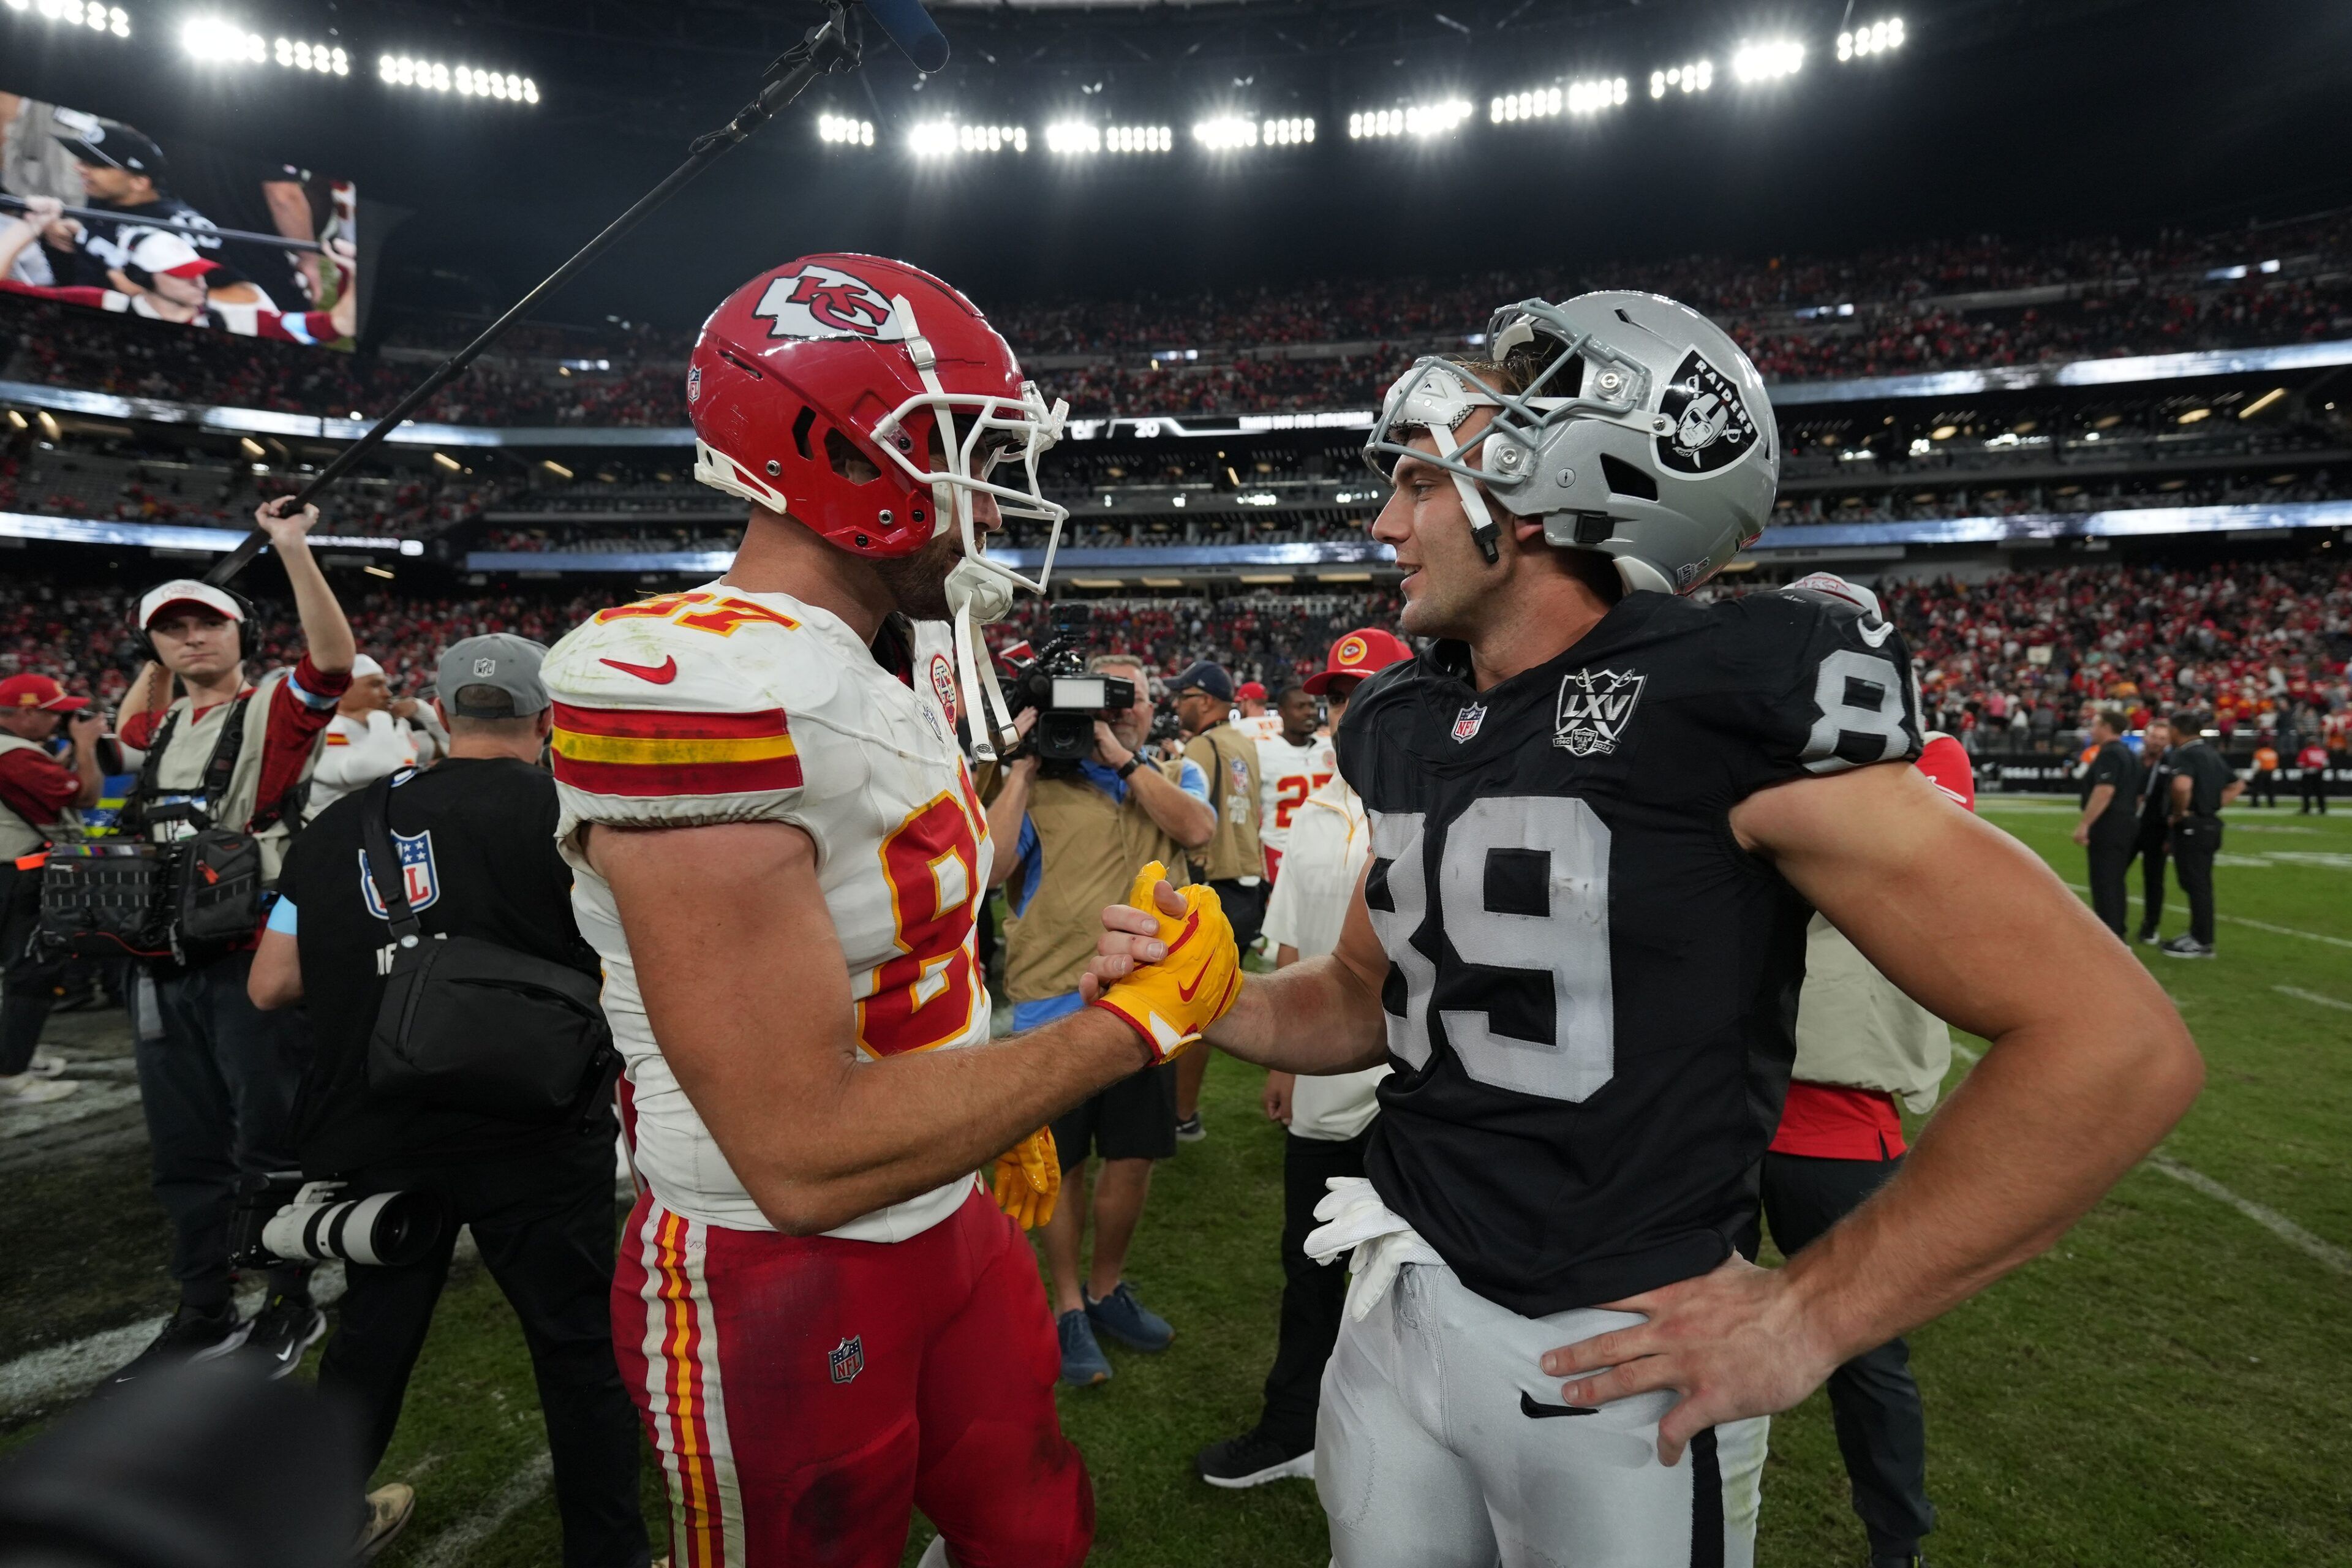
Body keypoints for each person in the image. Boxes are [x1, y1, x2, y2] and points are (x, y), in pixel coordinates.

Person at [1083, 292, 2200, 1568]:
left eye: (1421, 482)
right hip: (1400, 1288)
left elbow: (2112, 1040)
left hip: (1619, 1349)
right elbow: (1359, 995)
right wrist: (1214, 995)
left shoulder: (1727, 694)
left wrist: (1809, 1312)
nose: (1386, 522)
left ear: (1554, 480)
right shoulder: (1401, 719)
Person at [540, 254, 1236, 1568]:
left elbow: (887, 943)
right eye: (962, 453)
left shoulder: (859, 670)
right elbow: (796, 1151)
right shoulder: (699, 682)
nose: (990, 495)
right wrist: (1124, 1033)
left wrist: (1048, 1018)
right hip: (780, 1258)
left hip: (941, 1199)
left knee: (1034, 1516)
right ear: (846, 454)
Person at [249, 634, 649, 1568]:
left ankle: (309, 1528)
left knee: (371, 1342)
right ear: (549, 721)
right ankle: (610, 1555)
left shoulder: (338, 824)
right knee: (578, 1345)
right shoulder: (577, 812)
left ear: (438, 713)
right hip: (537, 1123)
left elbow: (271, 983)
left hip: (377, 1121)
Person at [103, 500, 353, 1389]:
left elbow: (332, 663)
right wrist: (154, 661)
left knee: (269, 1136)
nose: (187, 638)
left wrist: (291, 547)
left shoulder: (270, 714)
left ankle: (293, 1296)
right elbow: (124, 735)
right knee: (185, 1148)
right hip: (162, 963)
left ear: (239, 631)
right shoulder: (162, 724)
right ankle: (202, 1306)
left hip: (250, 953)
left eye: (203, 621)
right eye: (169, 630)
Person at [1756, 575, 1975, 1568]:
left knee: (1861, 1350)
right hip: (1732, 1098)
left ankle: (1898, 1540)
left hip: (1827, 1101)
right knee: (1669, 1315)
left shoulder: (1920, 762)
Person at [1196, 627, 1408, 1490]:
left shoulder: (1452, 803)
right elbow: (1292, 948)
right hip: (1328, 1076)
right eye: (1339, 699)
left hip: (1418, 1086)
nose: (1346, 715)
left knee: (1416, 1272)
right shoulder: (1318, 812)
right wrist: (1283, 1065)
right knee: (1312, 1260)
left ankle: (1401, 1447)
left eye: (1367, 695)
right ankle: (1295, 1424)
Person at [986, 653, 1215, 1385]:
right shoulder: (1031, 788)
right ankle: (1067, 1305)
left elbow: (1200, 831)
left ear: (1149, 708)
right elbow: (988, 870)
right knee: (1063, 1168)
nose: (1114, 714)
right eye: (1097, 707)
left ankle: (1107, 1286)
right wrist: (1020, 766)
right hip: (1055, 1001)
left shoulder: (1170, 773)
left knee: (1134, 1155)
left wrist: (1123, 762)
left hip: (1151, 1004)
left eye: (1130, 699)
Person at [1170, 658, 1264, 1141]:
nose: (1176, 705)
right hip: (1250, 883)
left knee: (1191, 1011)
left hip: (1216, 886)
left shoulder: (1201, 746)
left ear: (1205, 700)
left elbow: (1190, 820)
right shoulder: (1245, 742)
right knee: (1211, 1006)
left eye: (1183, 697)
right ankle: (1183, 1111)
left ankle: (1181, 1114)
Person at [0, 671, 104, 1105]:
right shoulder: (17, 755)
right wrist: (86, 747)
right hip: (20, 873)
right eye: (52, 714)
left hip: (7, 869)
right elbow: (85, 797)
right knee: (32, 972)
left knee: (12, 972)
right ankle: (12, 1074)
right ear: (24, 713)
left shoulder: (13, 752)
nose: (59, 722)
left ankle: (11, 1055)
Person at [306, 654, 443, 817]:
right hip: (329, 836)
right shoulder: (321, 731)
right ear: (342, 690)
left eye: (385, 685)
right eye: (376, 685)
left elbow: (450, 744)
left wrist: (420, 708)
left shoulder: (388, 730)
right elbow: (379, 766)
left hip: (377, 834)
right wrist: (380, 718)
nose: (387, 694)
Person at [2159, 712, 2241, 960]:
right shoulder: (2210, 753)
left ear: (2178, 730)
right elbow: (2237, 784)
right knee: (2196, 883)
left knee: (2197, 884)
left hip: (2194, 826)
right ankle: (2198, 934)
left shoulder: (2185, 754)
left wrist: (2181, 812)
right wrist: (2212, 806)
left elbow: (2181, 786)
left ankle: (2202, 941)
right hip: (2208, 824)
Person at [2072, 708, 2143, 940]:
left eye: (2095, 725)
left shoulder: (2110, 754)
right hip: (2126, 822)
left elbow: (2104, 791)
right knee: (2115, 880)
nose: (2092, 730)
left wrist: (2085, 824)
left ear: (2105, 727)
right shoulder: (2129, 753)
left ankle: (2110, 937)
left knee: (2105, 882)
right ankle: (2116, 931)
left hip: (2110, 824)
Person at [1257, 683, 1337, 883]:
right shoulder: (1261, 750)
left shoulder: (1332, 748)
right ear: (1282, 712)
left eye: (1311, 706)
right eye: (1300, 707)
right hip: (1280, 847)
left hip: (1327, 847)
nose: (1309, 712)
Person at [2129, 718, 2174, 945]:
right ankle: (2112, 922)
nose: (2157, 742)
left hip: (2157, 828)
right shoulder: (2134, 759)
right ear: (2146, 737)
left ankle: (2150, 927)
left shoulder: (2172, 763)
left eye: (2162, 739)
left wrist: (2170, 835)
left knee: (2154, 880)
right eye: (2154, 737)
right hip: (2129, 826)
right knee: (2113, 874)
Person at [1235, 679, 1282, 744]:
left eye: (1241, 704)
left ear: (1250, 703)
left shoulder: (1238, 728)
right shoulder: (1281, 722)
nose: (1240, 708)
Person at [2297, 735, 2330, 814]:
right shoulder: (2322, 751)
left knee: (2306, 792)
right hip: (2319, 773)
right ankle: (2322, 808)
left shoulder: (2306, 751)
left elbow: (2300, 763)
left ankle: (2307, 809)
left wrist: (2307, 768)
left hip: (2308, 773)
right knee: (2320, 791)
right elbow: (2326, 764)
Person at [2249, 739, 2280, 808]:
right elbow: (2276, 764)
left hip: (2261, 772)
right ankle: (2272, 804)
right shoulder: (2273, 753)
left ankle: (2255, 803)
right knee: (2270, 790)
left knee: (2256, 789)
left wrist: (2254, 773)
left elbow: (2256, 764)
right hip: (2270, 773)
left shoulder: (2259, 753)